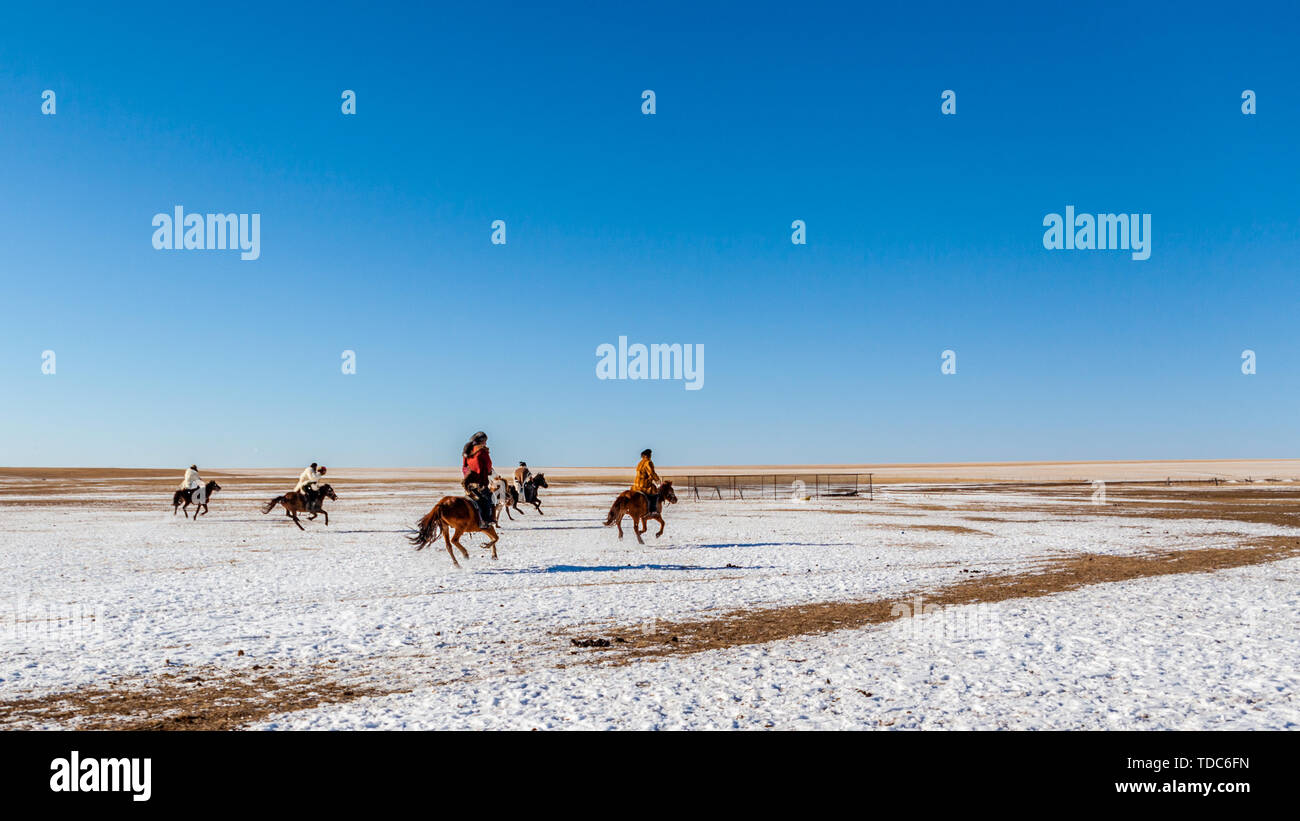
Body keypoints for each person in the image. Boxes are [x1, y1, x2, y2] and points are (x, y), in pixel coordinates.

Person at [461, 432, 494, 527]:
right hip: (480, 482)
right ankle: (486, 521)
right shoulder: (482, 451)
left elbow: (464, 467)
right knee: (488, 499)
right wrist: (487, 471)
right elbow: (488, 466)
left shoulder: (467, 451)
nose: (486, 444)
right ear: (482, 441)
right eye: (485, 441)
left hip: (468, 483)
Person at [631, 448, 661, 513]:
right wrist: (657, 480)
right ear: (647, 456)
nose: (650, 456)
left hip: (636, 484)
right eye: (650, 455)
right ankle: (653, 509)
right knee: (655, 493)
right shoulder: (648, 462)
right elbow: (651, 473)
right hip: (644, 484)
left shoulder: (640, 462)